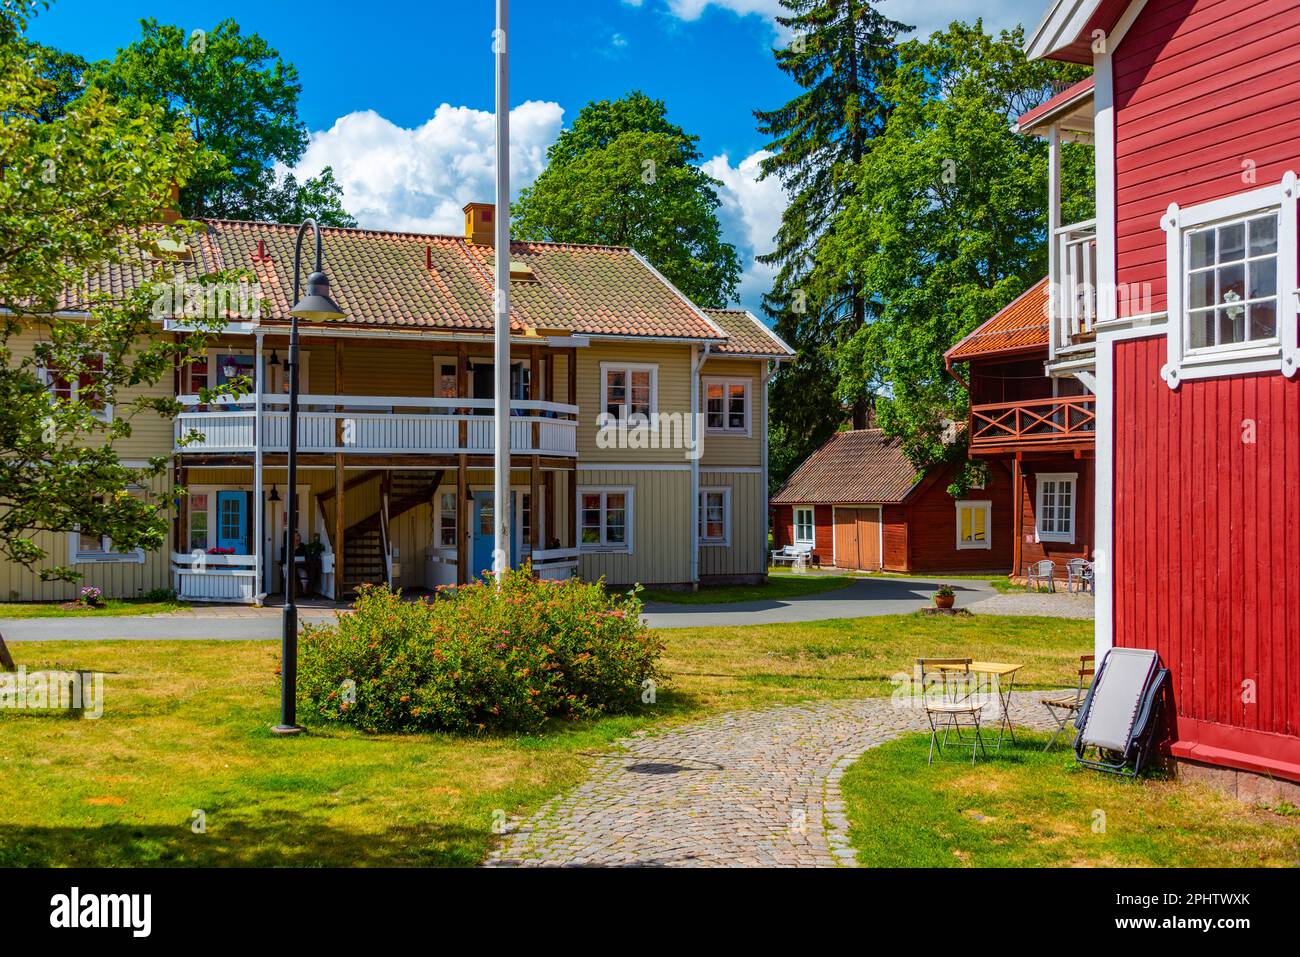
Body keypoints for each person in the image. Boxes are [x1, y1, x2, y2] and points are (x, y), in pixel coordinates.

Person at [281, 530, 310, 595]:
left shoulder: (302, 546)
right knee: (290, 572)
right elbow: (284, 559)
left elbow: (306, 556)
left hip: (300, 565)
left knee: (303, 572)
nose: (298, 539)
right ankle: (291, 592)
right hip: (289, 565)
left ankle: (304, 589)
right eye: (297, 537)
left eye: (299, 537)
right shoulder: (287, 547)